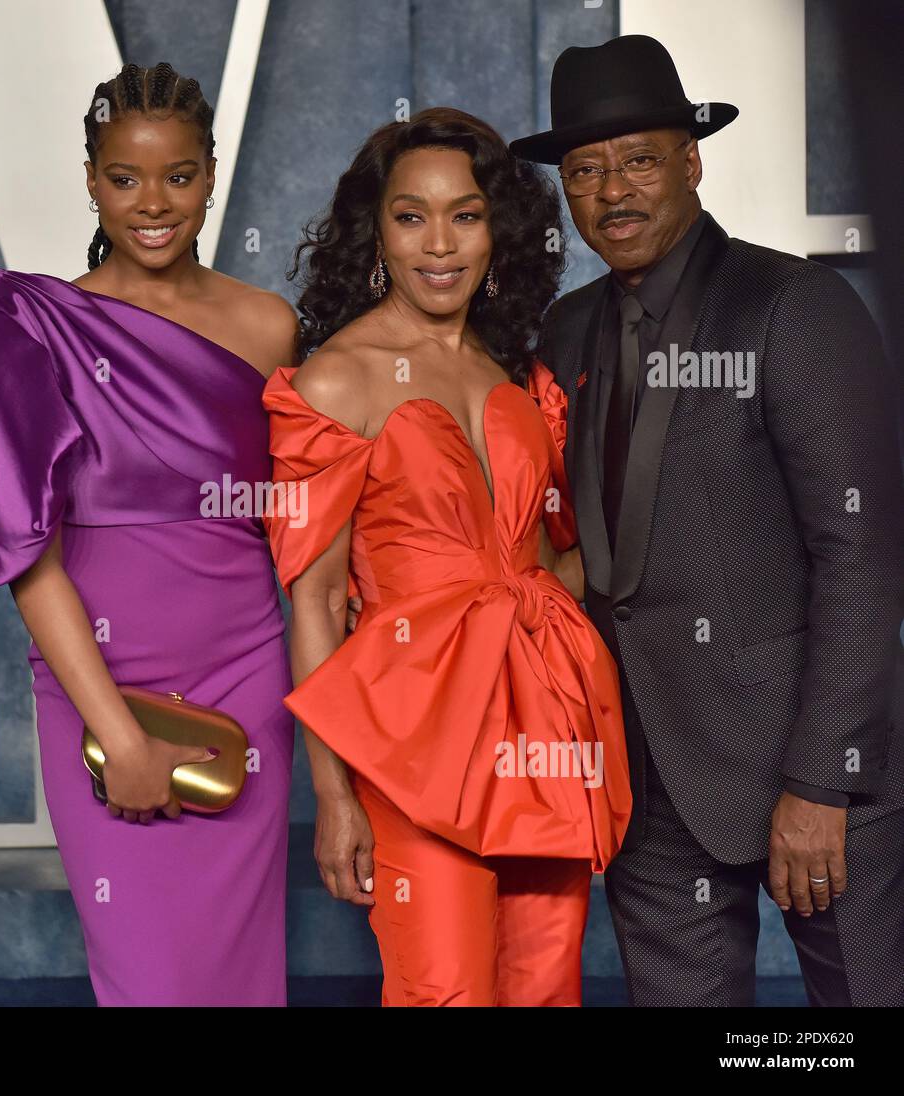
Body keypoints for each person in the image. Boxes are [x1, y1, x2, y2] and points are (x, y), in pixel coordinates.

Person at [513, 33, 904, 1006]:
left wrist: (822, 782)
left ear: (691, 160)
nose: (613, 190)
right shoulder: (565, 332)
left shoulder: (794, 307)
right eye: (585, 170)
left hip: (811, 766)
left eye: (638, 158)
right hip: (646, 778)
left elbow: (861, 553)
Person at [0, 62, 297, 1006]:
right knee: (150, 979)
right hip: (101, 686)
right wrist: (115, 730)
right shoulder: (28, 326)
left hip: (247, 675)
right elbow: (24, 556)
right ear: (90, 180)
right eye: (125, 178)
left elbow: (292, 525)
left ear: (212, 174)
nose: (152, 203)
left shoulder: (268, 325)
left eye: (178, 175)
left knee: (239, 977)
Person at [264, 107, 631, 1006]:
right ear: (377, 231)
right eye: (411, 214)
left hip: (545, 725)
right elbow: (311, 604)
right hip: (415, 738)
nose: (440, 243)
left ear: (495, 232)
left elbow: (551, 560)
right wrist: (336, 796)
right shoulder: (336, 380)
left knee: (546, 982)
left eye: (465, 215)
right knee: (447, 990)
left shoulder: (515, 378)